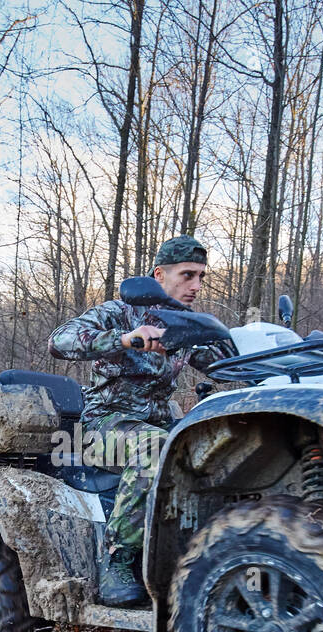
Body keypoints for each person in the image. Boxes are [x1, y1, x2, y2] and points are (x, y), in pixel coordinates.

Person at [48, 235, 235, 606]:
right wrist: (124, 340)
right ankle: (117, 561)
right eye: (187, 275)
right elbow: (60, 340)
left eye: (200, 276)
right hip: (103, 425)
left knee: (225, 445)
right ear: (159, 275)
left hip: (163, 422)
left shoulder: (186, 325)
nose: (196, 286)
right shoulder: (120, 313)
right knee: (156, 450)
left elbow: (223, 365)